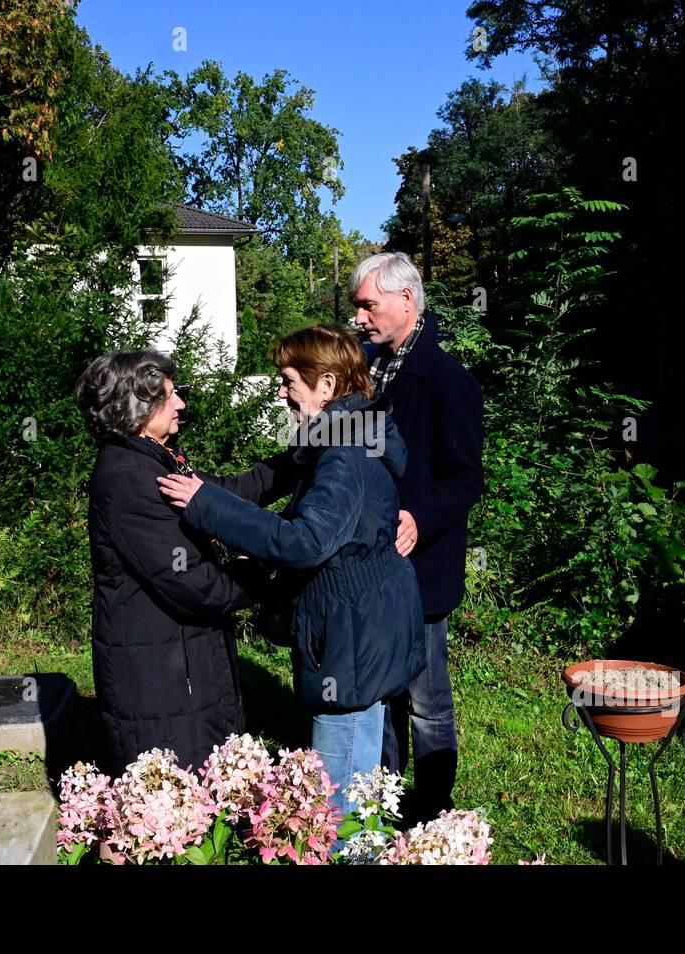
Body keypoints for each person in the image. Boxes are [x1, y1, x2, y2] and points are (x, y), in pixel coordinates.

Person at [158, 325, 425, 820]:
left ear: (326, 385)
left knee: (336, 788)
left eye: (288, 381)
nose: (280, 393)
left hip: (350, 630)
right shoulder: (351, 434)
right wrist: (210, 491)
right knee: (365, 756)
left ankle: (341, 849)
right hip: (371, 620)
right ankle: (366, 847)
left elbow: (306, 542)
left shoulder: (343, 452)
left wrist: (205, 505)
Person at [76, 351, 296, 775]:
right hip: (162, 672)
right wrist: (261, 571)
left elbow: (226, 494)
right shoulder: (131, 479)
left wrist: (297, 462)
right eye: (170, 396)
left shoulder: (149, 458)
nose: (180, 405)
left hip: (175, 655)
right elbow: (193, 585)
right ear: (136, 408)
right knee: (170, 797)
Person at [350, 251, 484, 824]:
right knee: (381, 693)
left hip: (422, 565)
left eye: (367, 304)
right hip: (372, 563)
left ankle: (431, 813)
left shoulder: (449, 380)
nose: (358, 318)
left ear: (406, 301)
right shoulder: (367, 366)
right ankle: (383, 803)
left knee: (426, 700)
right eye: (357, 306)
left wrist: (419, 519)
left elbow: (464, 480)